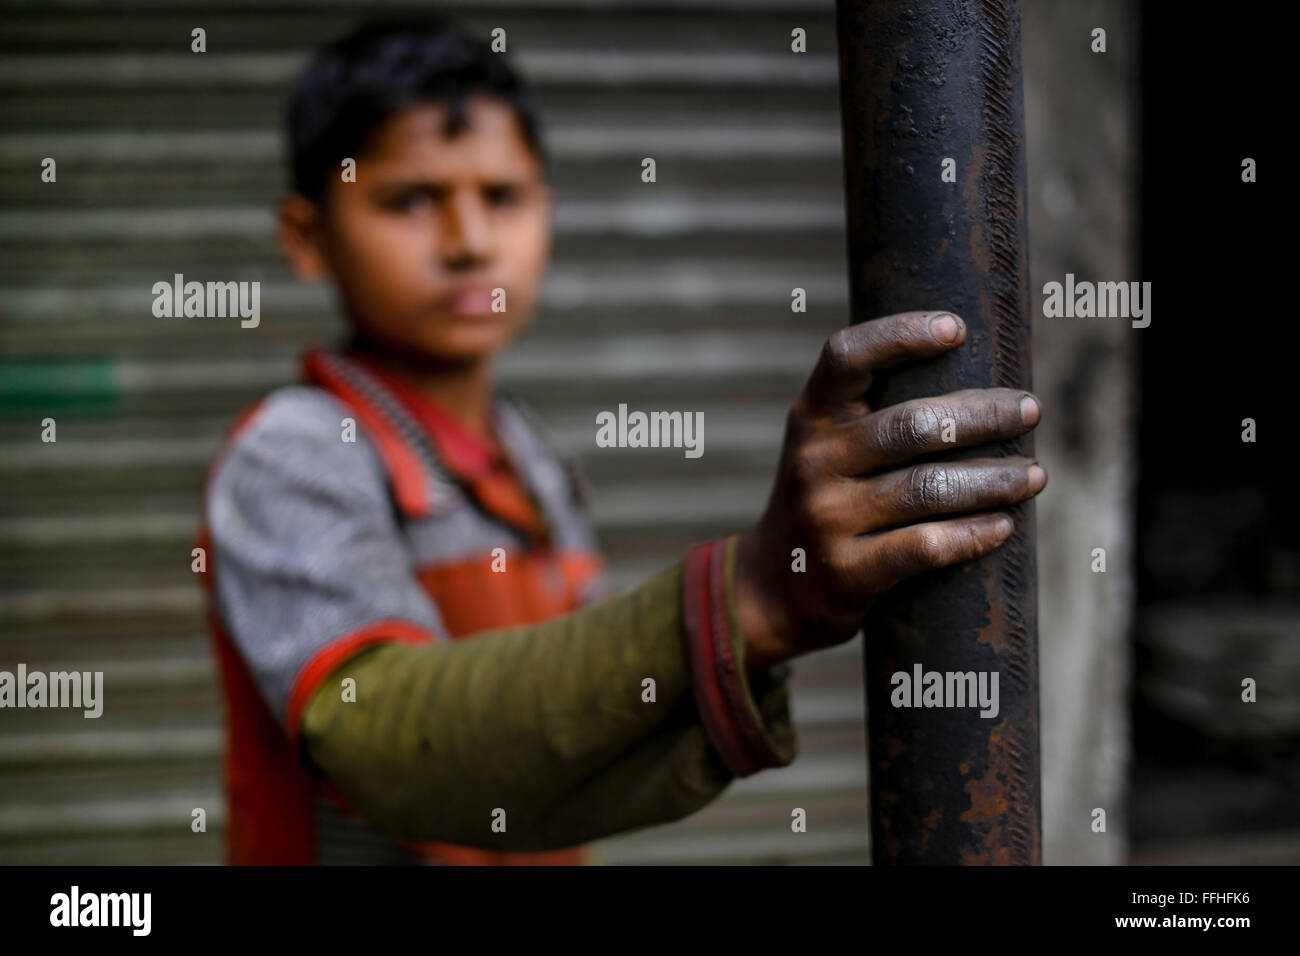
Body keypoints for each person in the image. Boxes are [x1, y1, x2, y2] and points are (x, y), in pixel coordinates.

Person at [198, 16, 1048, 865]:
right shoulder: (295, 452)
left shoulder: (530, 462)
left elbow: (574, 750)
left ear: (547, 215)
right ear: (307, 237)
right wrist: (751, 598)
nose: (468, 243)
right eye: (410, 200)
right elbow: (380, 750)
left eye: (501, 197)